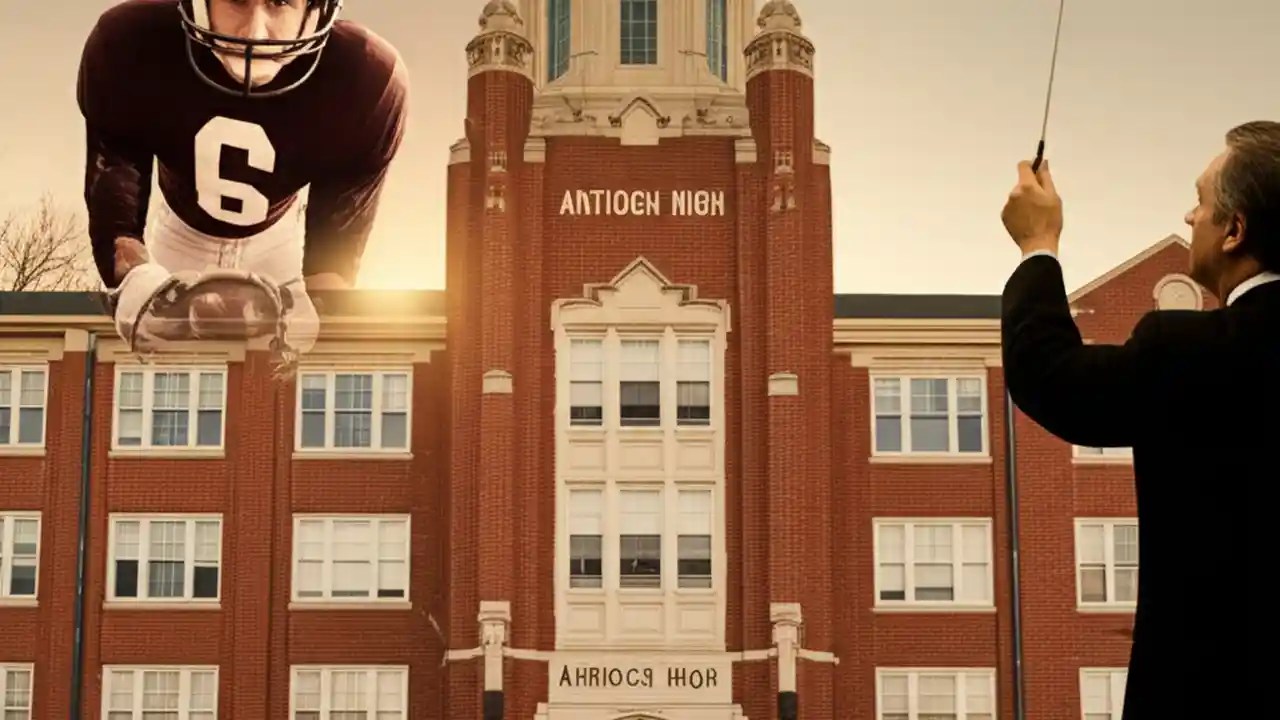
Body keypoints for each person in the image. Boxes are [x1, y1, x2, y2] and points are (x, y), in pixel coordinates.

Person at [1000, 121, 1278, 718]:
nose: (1189, 216)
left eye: (1201, 202)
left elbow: (1049, 376)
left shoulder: (1193, 352)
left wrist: (1038, 244)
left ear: (1234, 231)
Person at [77, 0, 408, 358]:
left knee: (294, 368)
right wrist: (135, 279)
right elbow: (116, 203)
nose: (254, 32)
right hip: (178, 231)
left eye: (280, 2)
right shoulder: (130, 42)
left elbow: (333, 258)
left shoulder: (365, 75)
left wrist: (318, 311)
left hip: (280, 239)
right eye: (236, 0)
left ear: (316, 8)